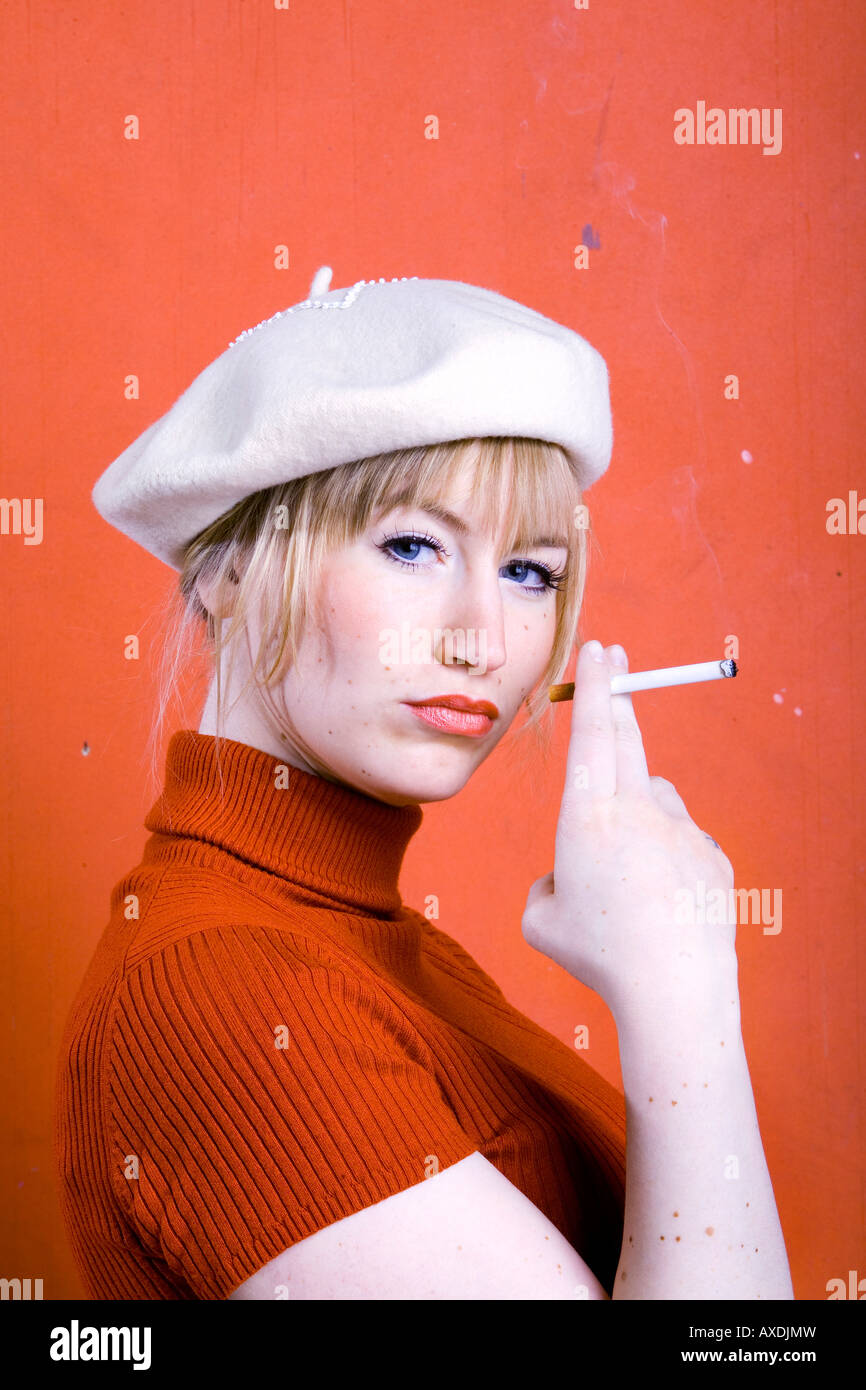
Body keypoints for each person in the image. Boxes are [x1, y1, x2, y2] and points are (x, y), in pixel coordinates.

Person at [53, 266, 793, 1300]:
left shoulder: (373, 950)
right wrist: (683, 994)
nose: (482, 639)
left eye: (528, 572)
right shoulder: (226, 991)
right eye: (410, 544)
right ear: (224, 569)